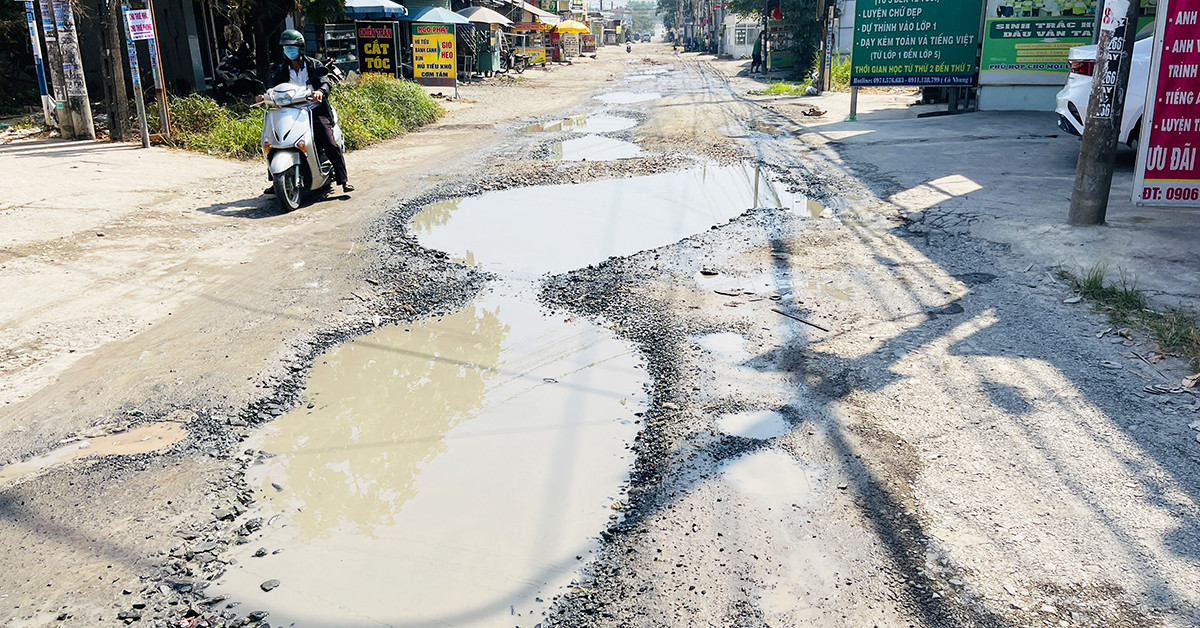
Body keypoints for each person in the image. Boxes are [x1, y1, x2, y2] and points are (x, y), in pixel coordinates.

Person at [259, 30, 353, 193]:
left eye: (292, 47)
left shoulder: (314, 65)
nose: (289, 50)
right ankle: (277, 182)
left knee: (329, 142)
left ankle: (343, 180)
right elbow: (273, 86)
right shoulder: (282, 69)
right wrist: (264, 95)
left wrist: (320, 92)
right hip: (290, 111)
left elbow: (325, 82)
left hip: (313, 110)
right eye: (286, 48)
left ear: (300, 48)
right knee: (274, 142)